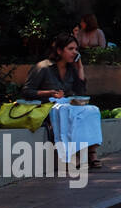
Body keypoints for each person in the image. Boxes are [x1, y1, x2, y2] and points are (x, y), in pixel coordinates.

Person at [22, 34, 103, 169]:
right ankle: (72, 154)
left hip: (66, 105)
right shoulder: (43, 67)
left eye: (76, 49)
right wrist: (49, 93)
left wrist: (80, 68)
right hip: (47, 107)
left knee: (92, 110)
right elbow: (26, 91)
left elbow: (81, 93)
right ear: (59, 50)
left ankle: (91, 152)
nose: (75, 52)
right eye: (70, 49)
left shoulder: (72, 69)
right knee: (67, 112)